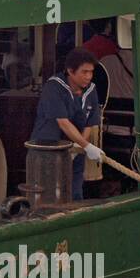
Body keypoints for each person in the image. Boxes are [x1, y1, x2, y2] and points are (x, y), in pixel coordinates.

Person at [29, 48, 103, 200]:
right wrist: (87, 146)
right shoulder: (54, 87)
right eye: (84, 72)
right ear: (70, 71)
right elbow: (63, 122)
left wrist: (79, 147)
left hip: (76, 149)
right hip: (48, 148)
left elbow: (90, 123)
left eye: (91, 72)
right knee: (49, 193)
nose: (88, 76)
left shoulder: (92, 90)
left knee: (75, 192)